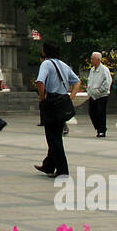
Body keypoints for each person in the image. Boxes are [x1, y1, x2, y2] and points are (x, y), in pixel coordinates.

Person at [34, 41, 81, 178]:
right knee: (56, 135)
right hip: (62, 101)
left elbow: (40, 82)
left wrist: (42, 98)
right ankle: (48, 165)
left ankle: (62, 170)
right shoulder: (63, 65)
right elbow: (77, 81)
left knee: (53, 138)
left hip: (51, 102)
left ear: (45, 52)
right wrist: (70, 97)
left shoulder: (46, 64)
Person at [87, 51, 112, 137]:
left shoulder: (104, 69)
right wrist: (89, 90)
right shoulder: (92, 70)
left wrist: (100, 90)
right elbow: (90, 80)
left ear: (98, 60)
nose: (91, 60)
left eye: (92, 59)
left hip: (101, 96)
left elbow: (107, 82)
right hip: (92, 95)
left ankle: (101, 130)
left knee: (100, 113)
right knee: (91, 112)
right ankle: (98, 127)